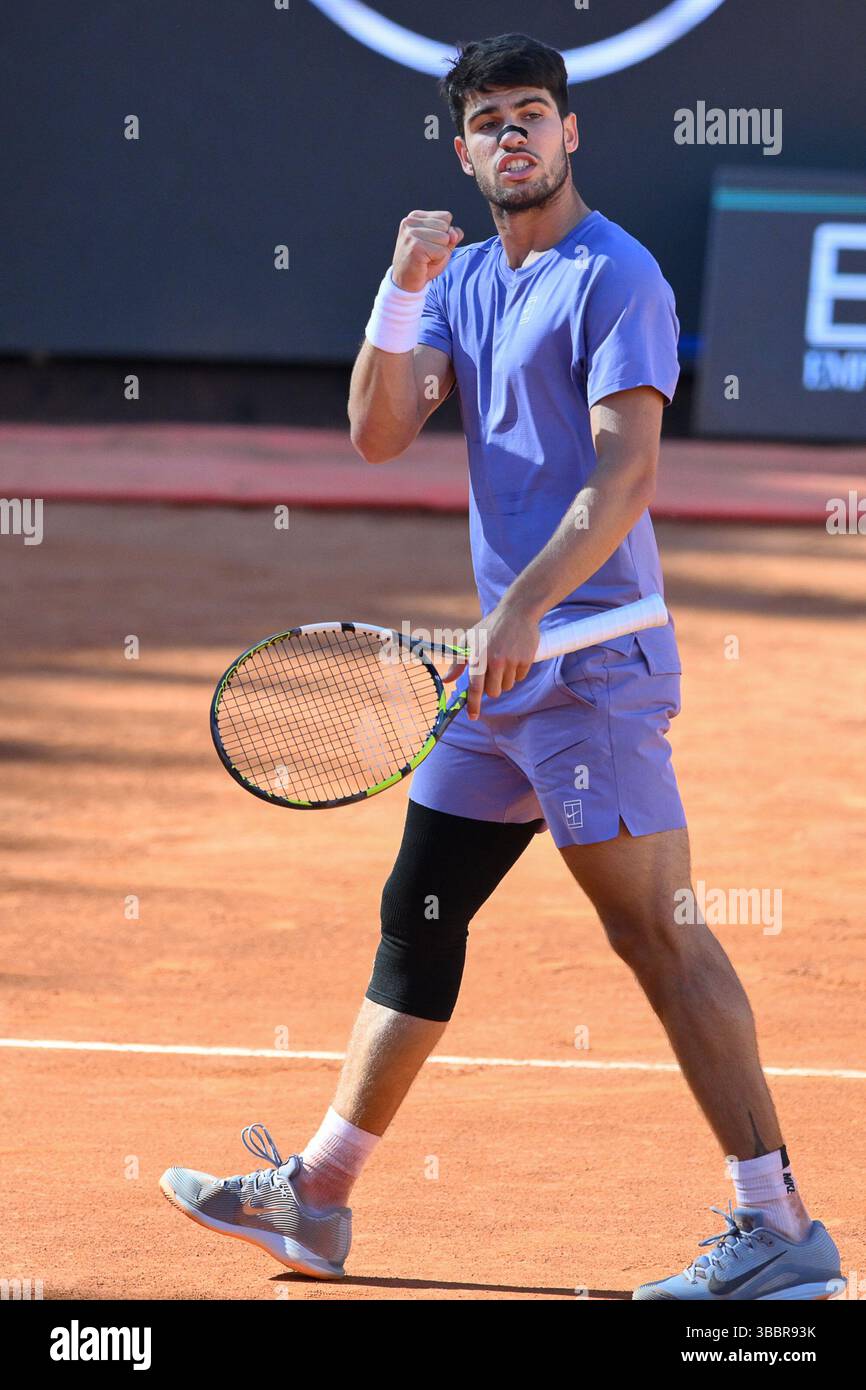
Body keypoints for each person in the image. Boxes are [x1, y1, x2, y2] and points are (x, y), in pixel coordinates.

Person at [160, 32, 844, 1301]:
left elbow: (623, 472)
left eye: (533, 114)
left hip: (588, 668)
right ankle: (316, 1200)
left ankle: (781, 1229)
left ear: (570, 133)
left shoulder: (614, 275)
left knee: (657, 936)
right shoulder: (464, 278)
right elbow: (375, 435)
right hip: (497, 680)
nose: (513, 136)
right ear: (461, 146)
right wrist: (400, 281)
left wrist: (522, 607)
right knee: (418, 919)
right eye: (489, 121)